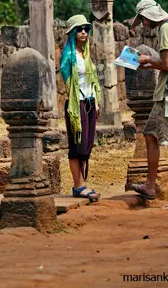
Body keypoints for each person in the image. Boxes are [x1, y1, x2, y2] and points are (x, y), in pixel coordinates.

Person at [130, 0, 168, 210]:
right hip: (166, 92)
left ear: (149, 15)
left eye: (143, 20)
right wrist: (149, 63)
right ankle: (150, 186)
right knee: (150, 134)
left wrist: (147, 58)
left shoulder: (165, 29)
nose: (143, 24)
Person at [60, 15, 101, 201]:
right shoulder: (68, 56)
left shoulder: (86, 54)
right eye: (80, 29)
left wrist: (97, 102)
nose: (84, 32)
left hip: (90, 102)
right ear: (72, 33)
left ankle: (82, 184)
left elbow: (91, 81)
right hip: (77, 106)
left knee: (87, 144)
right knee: (77, 145)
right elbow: (68, 83)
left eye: (86, 28)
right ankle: (78, 186)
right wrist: (77, 105)